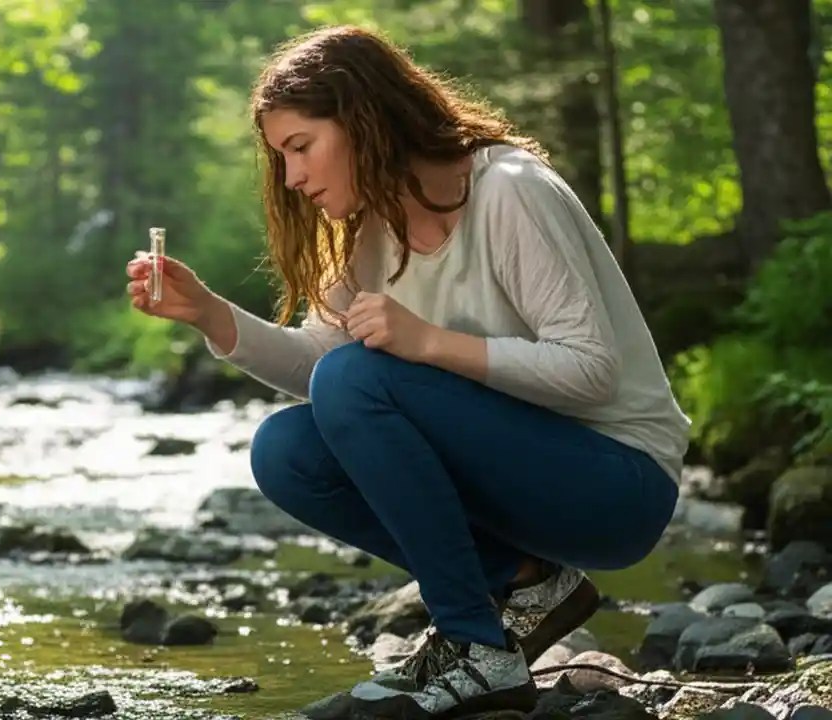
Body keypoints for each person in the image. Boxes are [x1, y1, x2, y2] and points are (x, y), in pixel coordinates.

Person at [125, 24, 688, 719]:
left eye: (301, 147)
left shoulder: (508, 189)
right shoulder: (371, 231)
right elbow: (323, 372)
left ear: (364, 117)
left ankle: (477, 648)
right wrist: (210, 314)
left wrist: (427, 342)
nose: (293, 177)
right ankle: (527, 583)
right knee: (287, 451)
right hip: (525, 478)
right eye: (282, 158)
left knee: (355, 380)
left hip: (617, 484)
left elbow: (592, 372)